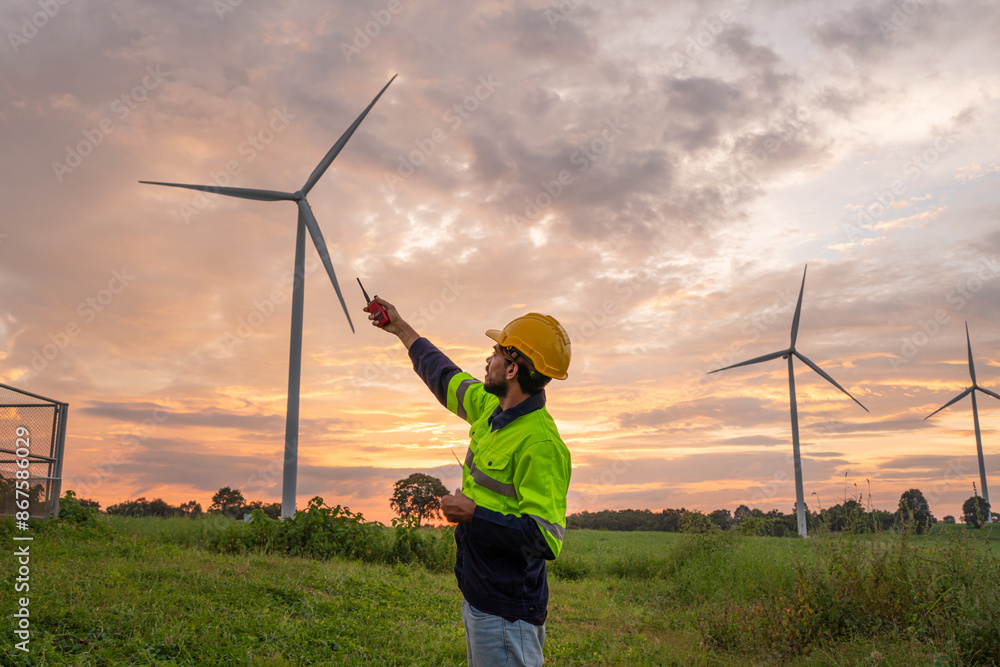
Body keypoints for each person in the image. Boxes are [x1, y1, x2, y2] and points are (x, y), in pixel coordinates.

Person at [365, 297, 572, 667]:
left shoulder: (541, 444)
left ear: (511, 369)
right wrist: (400, 327)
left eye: (493, 353)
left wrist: (474, 513)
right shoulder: (490, 407)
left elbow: (545, 539)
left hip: (508, 613)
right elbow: (444, 375)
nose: (486, 360)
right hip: (482, 596)